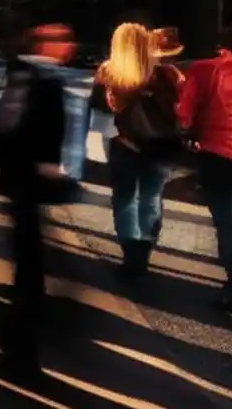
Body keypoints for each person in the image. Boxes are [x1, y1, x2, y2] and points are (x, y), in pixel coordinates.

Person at [0, 22, 74, 376]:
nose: (69, 45)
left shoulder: (20, 73)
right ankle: (19, 346)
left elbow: (1, 123)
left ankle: (27, 313)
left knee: (29, 250)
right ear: (44, 44)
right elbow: (26, 127)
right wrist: (47, 163)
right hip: (28, 177)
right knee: (29, 254)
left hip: (17, 176)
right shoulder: (41, 80)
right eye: (61, 40)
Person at [95, 22, 184, 280]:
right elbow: (183, 109)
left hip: (125, 146)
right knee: (151, 197)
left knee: (125, 199)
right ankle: (144, 248)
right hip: (162, 146)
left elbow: (100, 116)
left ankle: (131, 255)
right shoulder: (168, 74)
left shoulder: (109, 73)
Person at [179, 27, 232, 317]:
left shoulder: (206, 69)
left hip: (222, 156)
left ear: (224, 48)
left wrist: (190, 135)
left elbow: (183, 114)